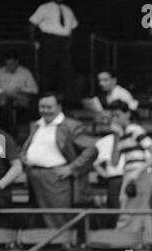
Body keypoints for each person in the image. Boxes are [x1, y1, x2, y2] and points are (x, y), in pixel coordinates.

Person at [21, 92, 96, 228]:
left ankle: (62, 241)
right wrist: (24, 157)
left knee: (57, 219)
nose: (45, 110)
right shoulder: (36, 125)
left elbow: (91, 148)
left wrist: (72, 168)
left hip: (55, 179)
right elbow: (28, 147)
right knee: (36, 220)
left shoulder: (70, 125)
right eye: (42, 107)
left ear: (59, 107)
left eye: (49, 107)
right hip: (34, 177)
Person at [108, 102, 152, 243]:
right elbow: (114, 162)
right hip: (128, 175)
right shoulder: (121, 135)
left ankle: (123, 244)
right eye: (113, 116)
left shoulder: (135, 130)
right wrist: (116, 135)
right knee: (143, 211)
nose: (115, 119)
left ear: (127, 114)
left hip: (139, 176)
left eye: (118, 115)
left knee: (129, 211)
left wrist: (138, 171)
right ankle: (151, 243)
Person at [29, 0, 78, 98]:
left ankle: (65, 95)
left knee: (65, 68)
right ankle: (46, 94)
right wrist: (32, 40)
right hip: (49, 40)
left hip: (64, 41)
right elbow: (32, 23)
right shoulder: (44, 8)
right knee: (48, 67)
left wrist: (70, 42)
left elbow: (73, 27)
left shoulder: (68, 9)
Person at [0, 53, 38, 135]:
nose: (9, 67)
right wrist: (0, 92)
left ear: (17, 62)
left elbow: (35, 90)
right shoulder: (1, 71)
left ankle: (17, 133)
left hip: (20, 103)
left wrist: (22, 89)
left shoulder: (24, 72)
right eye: (7, 65)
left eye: (12, 64)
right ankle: (4, 133)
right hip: (3, 103)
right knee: (0, 109)